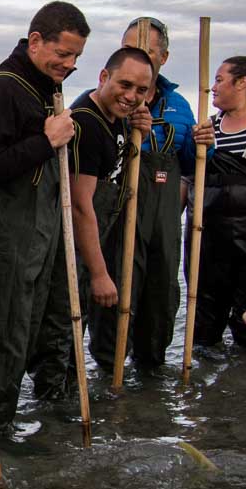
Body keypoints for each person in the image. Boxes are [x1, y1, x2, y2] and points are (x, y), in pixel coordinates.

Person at [0, 1, 88, 429]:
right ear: (35, 41)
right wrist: (46, 140)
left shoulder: (43, 84)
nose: (70, 65)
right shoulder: (3, 89)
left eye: (76, 58)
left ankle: (10, 425)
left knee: (24, 336)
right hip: (1, 240)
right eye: (63, 54)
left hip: (35, 237)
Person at [87, 17, 214, 369]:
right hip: (120, 220)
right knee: (116, 300)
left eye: (148, 51)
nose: (140, 57)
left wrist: (205, 145)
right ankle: (109, 378)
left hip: (163, 222)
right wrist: (129, 130)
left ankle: (153, 387)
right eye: (130, 48)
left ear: (165, 57)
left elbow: (191, 163)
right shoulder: (108, 102)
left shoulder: (180, 106)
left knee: (160, 301)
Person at [67, 49, 153, 332]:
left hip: (98, 237)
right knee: (65, 329)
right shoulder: (86, 123)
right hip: (72, 249)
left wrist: (140, 131)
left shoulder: (118, 116)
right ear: (104, 77)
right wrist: (100, 273)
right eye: (124, 85)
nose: (131, 96)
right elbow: (80, 205)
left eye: (141, 90)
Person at [189, 56, 246, 348]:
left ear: (242, 82)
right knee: (203, 333)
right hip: (208, 247)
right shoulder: (207, 129)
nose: (212, 88)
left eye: (219, 79)